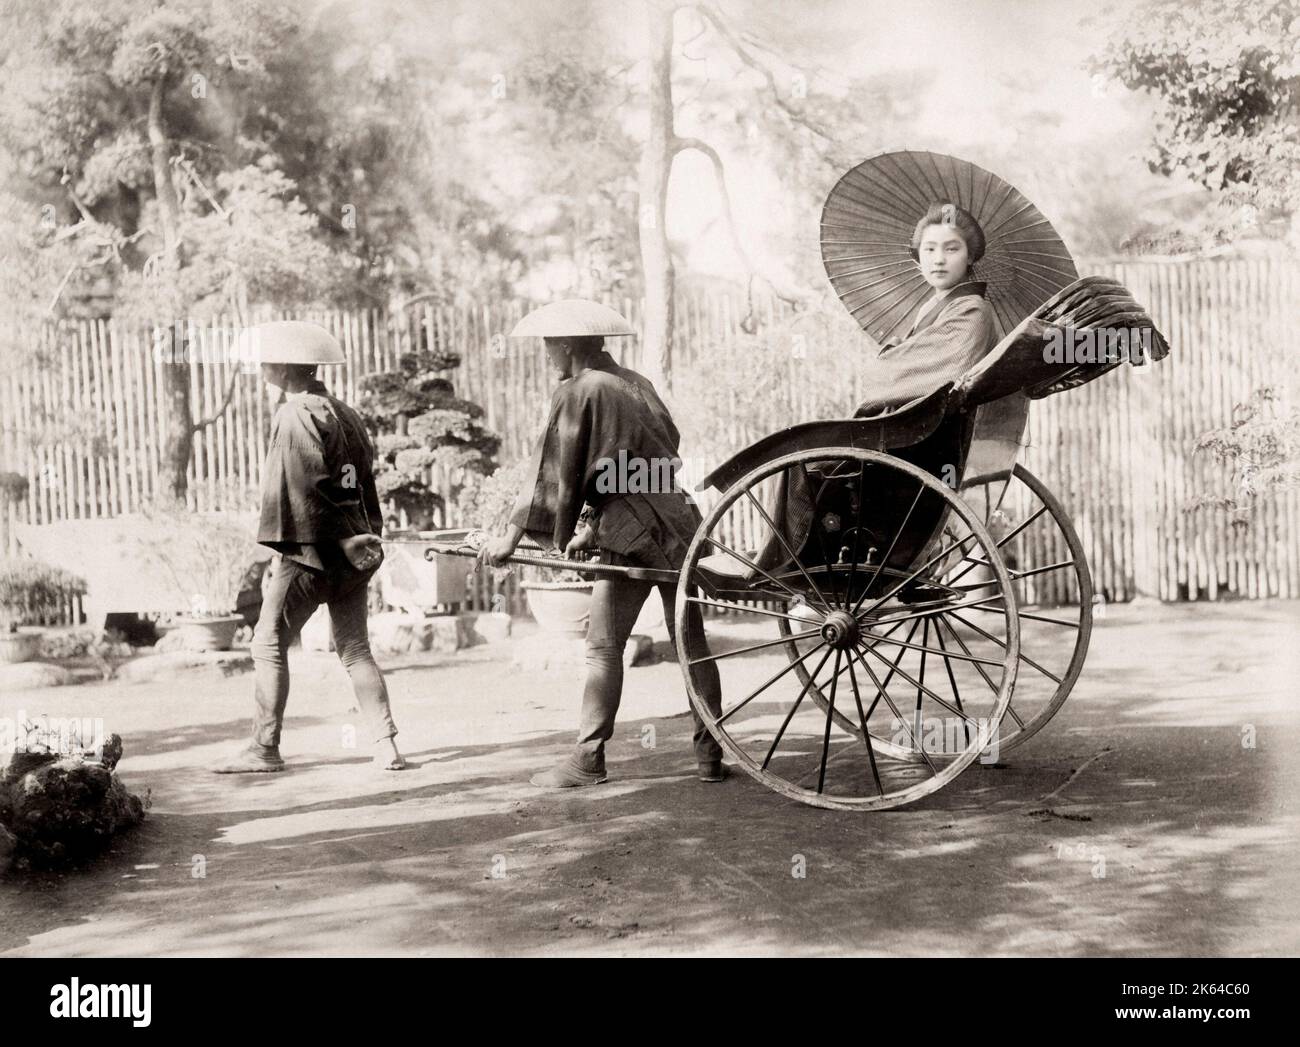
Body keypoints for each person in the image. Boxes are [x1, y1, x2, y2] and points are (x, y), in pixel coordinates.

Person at [478, 299, 728, 789]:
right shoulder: (638, 384)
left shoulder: (580, 390)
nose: (547, 353)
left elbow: (553, 472)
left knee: (602, 647)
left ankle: (588, 758)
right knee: (690, 642)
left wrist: (509, 535)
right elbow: (656, 455)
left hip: (634, 533)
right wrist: (593, 522)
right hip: (679, 524)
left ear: (567, 344)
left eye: (549, 344)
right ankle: (710, 756)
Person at [213, 321, 405, 774]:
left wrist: (332, 538)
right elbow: (359, 483)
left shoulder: (295, 412)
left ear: (282, 366)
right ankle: (386, 745)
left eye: (266, 361)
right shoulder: (344, 411)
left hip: (312, 549)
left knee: (268, 643)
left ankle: (264, 749)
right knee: (355, 647)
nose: (261, 367)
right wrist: (358, 535)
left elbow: (306, 487)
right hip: (355, 547)